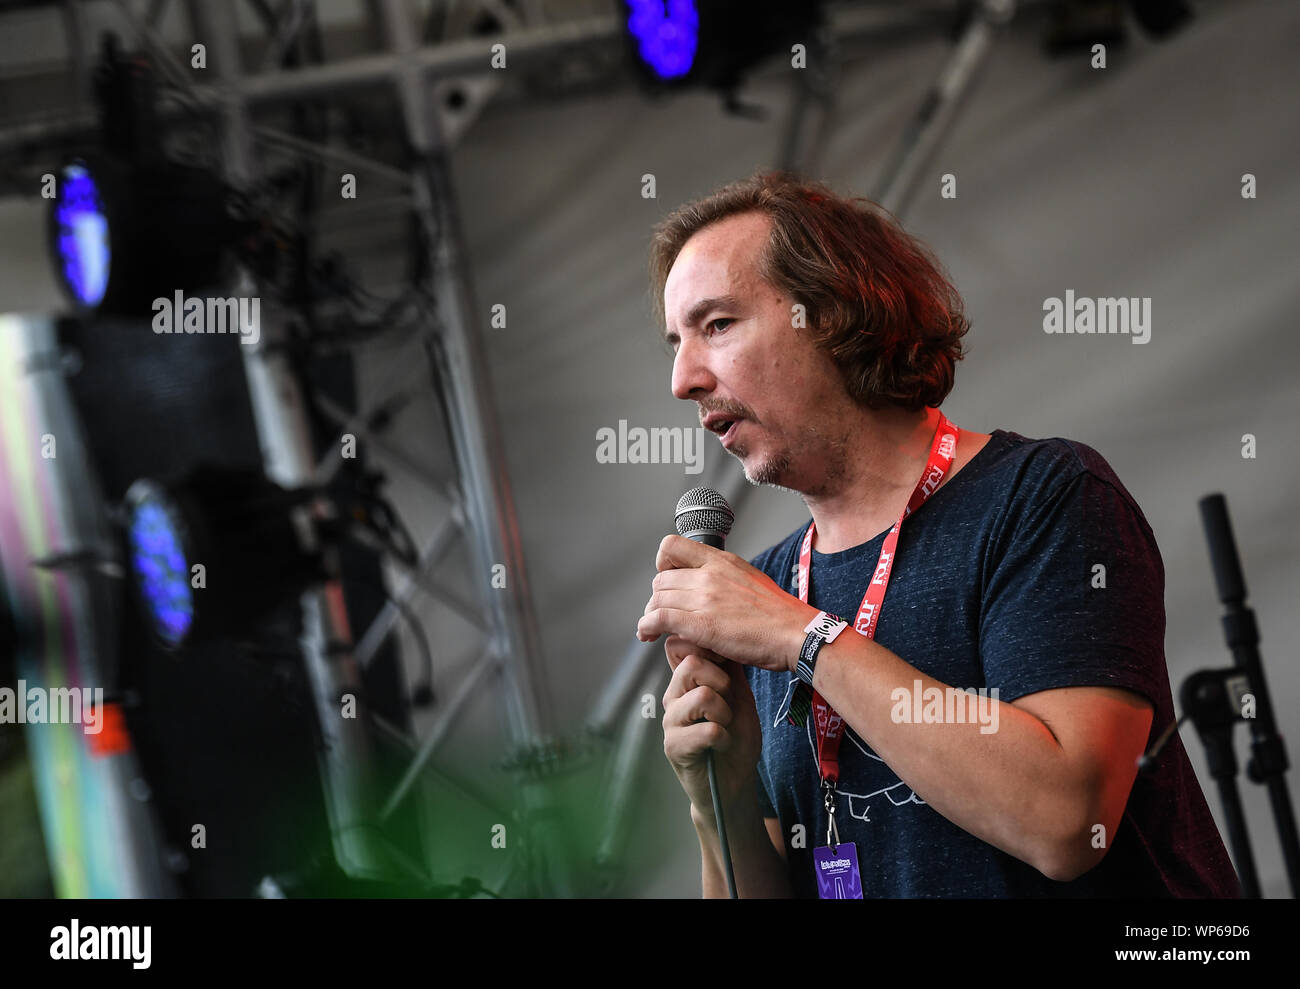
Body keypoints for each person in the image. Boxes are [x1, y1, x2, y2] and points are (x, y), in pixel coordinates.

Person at [636, 171, 1241, 898]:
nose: (682, 379)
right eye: (675, 340)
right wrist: (721, 798)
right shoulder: (766, 590)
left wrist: (803, 637)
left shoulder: (1046, 496)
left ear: (831, 313)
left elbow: (1065, 822)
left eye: (718, 324)